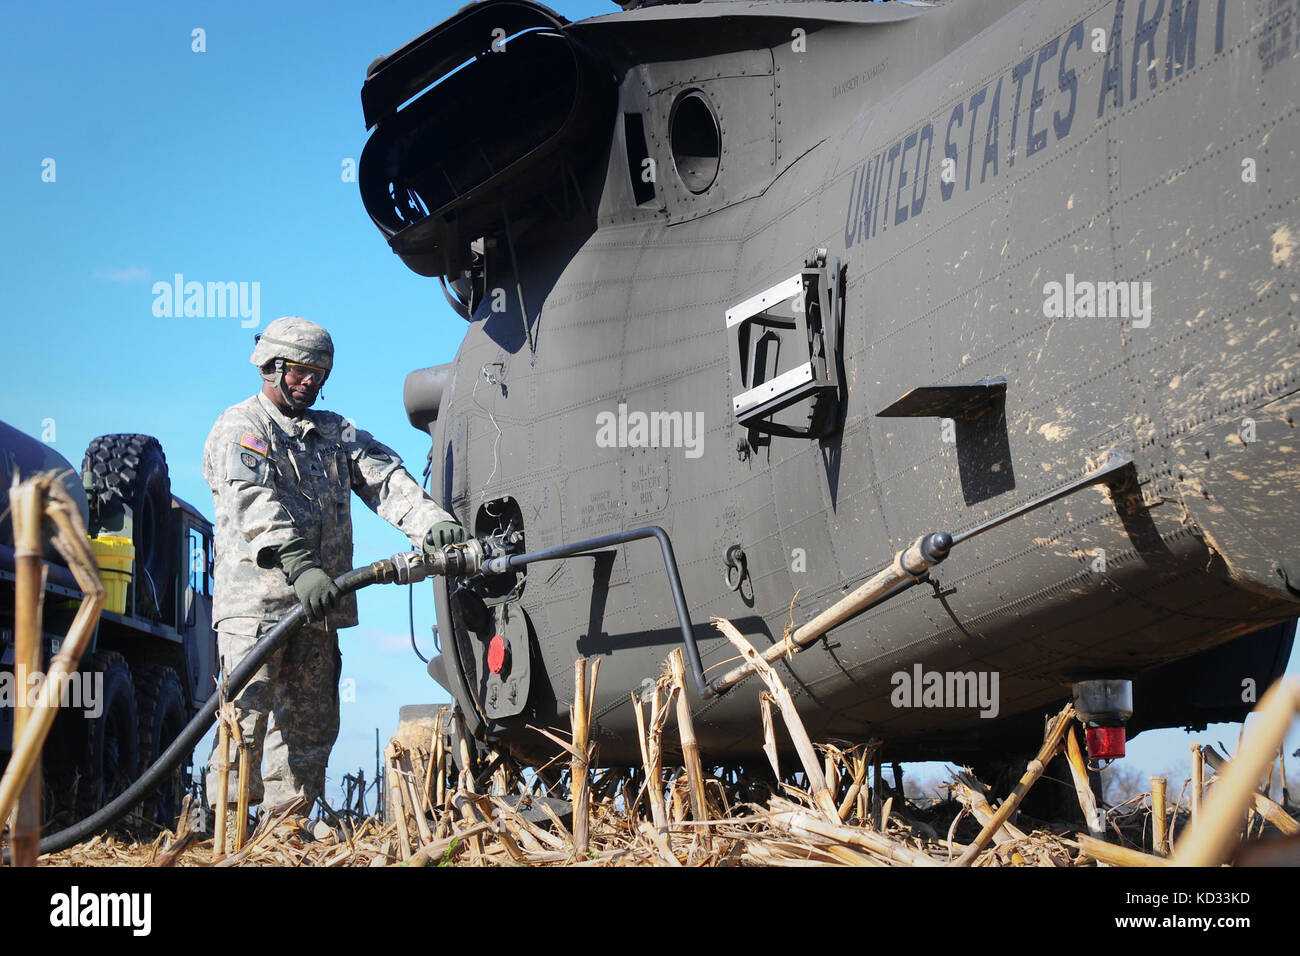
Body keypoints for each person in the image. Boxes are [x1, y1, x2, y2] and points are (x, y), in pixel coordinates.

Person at [202, 315, 465, 818]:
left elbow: (385, 480)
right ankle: (229, 830)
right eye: (301, 372)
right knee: (244, 719)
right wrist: (300, 566)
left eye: (320, 375)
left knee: (311, 725)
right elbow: (252, 501)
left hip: (320, 607)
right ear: (272, 366)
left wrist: (430, 523)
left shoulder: (334, 433)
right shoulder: (241, 427)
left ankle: (289, 828)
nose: (311, 383)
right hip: (256, 610)